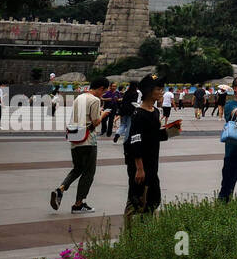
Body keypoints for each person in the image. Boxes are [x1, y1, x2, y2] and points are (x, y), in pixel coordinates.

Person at [50, 77, 111, 213]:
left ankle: (61, 189)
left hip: (75, 138)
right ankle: (78, 204)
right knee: (89, 172)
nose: (104, 94)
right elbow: (95, 122)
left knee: (77, 168)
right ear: (101, 88)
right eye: (104, 91)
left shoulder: (80, 97)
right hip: (88, 140)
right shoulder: (95, 100)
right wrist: (103, 114)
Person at [124, 76, 179, 219]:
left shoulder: (154, 111)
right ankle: (130, 237)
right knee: (135, 200)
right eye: (159, 89)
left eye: (162, 89)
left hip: (152, 163)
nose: (162, 92)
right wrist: (139, 168)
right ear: (149, 92)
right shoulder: (139, 114)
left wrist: (170, 131)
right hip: (140, 165)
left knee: (153, 199)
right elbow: (135, 142)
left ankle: (146, 232)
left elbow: (152, 135)